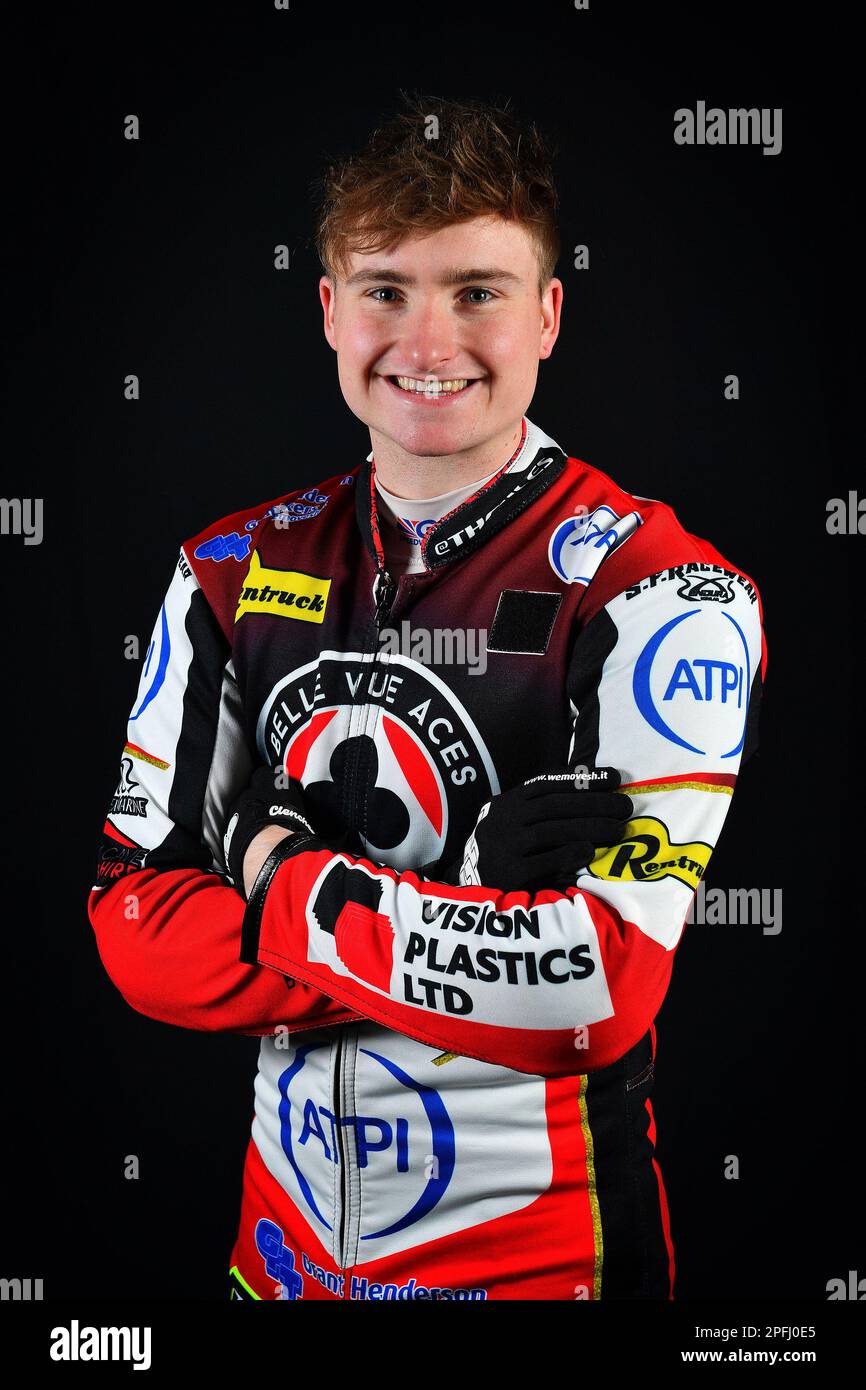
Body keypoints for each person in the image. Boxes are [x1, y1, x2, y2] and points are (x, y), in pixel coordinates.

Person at [88, 94, 766, 1301]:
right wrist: (466, 895)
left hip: (548, 1270)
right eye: (386, 288)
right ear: (330, 312)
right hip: (278, 1263)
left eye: (477, 290)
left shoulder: (664, 591)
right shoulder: (229, 570)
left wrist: (272, 870)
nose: (427, 337)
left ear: (548, 314)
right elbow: (133, 932)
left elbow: (596, 996)